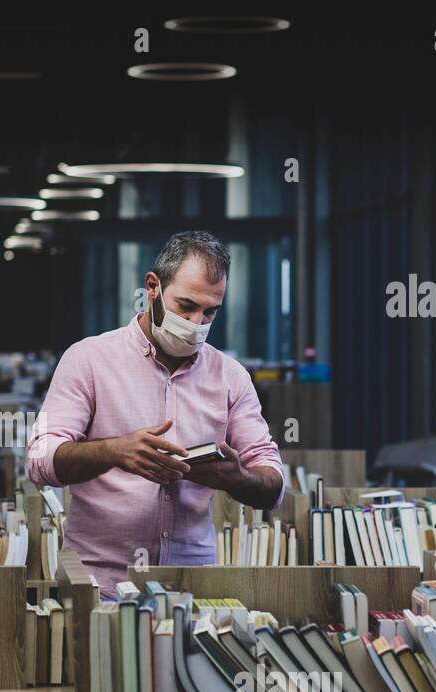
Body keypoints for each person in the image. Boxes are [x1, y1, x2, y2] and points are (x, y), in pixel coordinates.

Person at [25, 230, 285, 593]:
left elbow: (273, 485)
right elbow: (39, 460)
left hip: (191, 587)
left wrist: (237, 478)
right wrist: (114, 451)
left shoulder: (231, 377)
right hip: (99, 585)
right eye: (186, 306)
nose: (197, 324)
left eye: (210, 312)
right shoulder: (88, 360)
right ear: (152, 287)